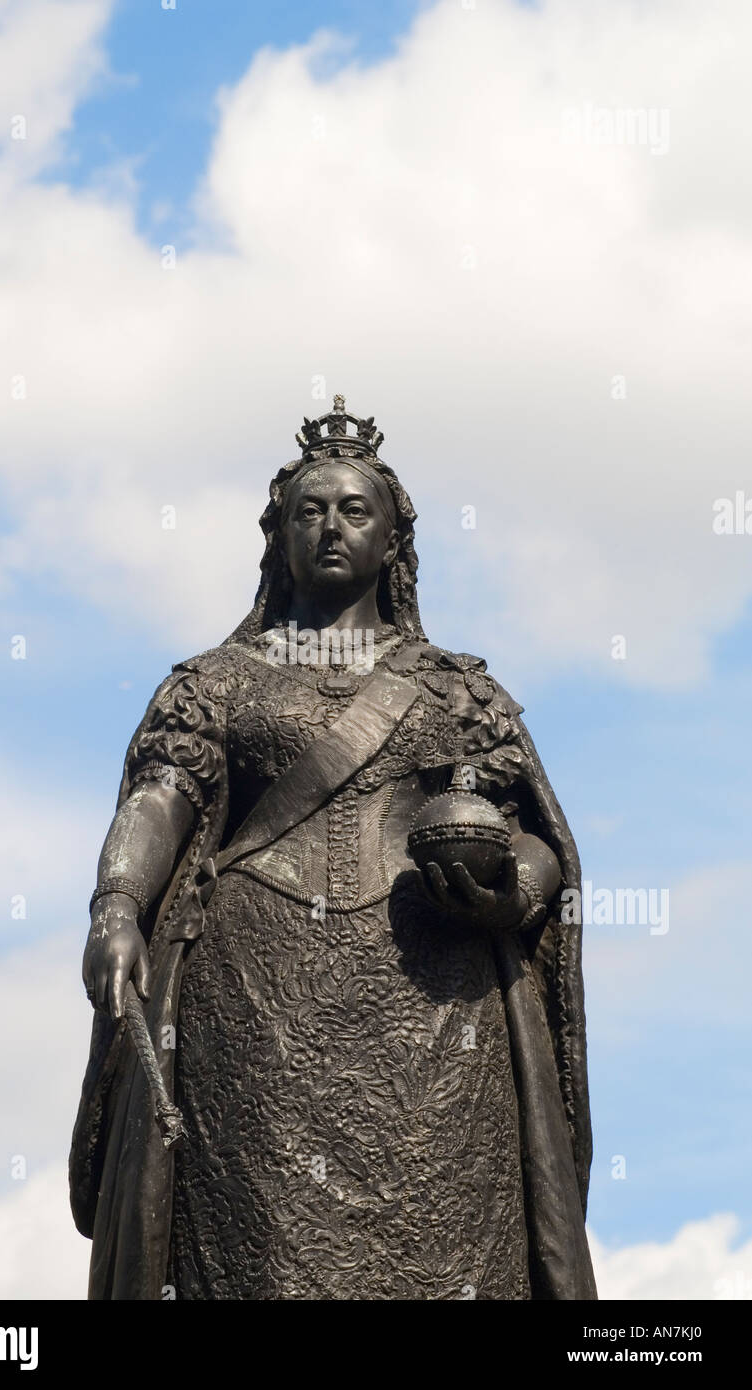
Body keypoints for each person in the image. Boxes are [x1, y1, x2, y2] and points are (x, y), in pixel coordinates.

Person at [69, 396, 596, 1300]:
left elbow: (531, 840)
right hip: (252, 991)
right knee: (254, 1242)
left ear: (392, 541)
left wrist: (509, 893)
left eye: (355, 511)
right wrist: (117, 903)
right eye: (309, 511)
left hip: (433, 998)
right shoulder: (215, 683)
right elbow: (162, 795)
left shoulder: (453, 690)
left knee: (448, 1241)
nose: (331, 527)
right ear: (277, 537)